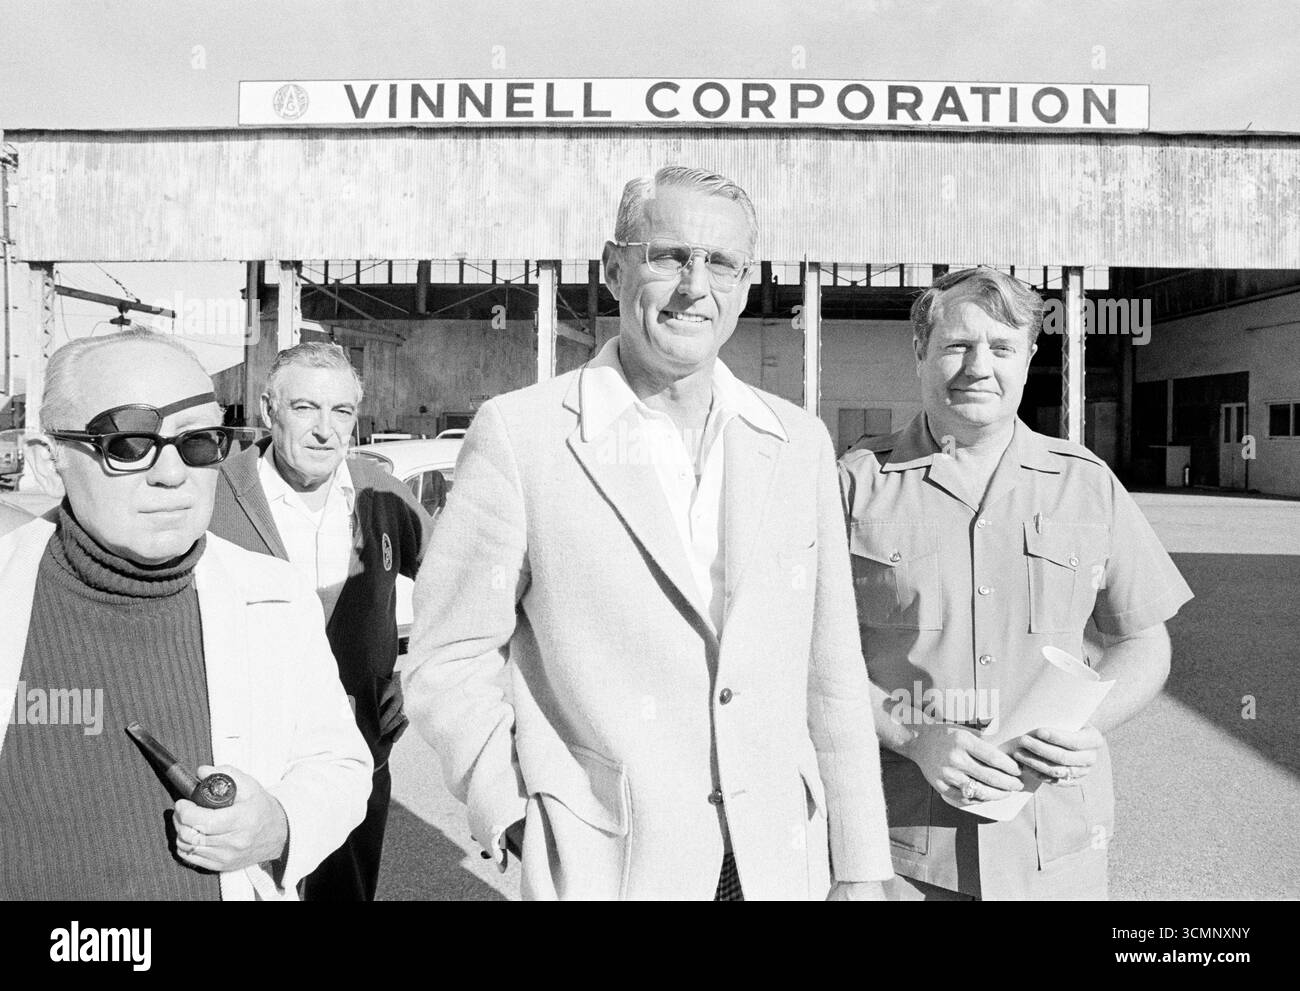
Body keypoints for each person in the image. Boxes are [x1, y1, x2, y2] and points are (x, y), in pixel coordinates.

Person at [403, 165, 893, 900]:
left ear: (745, 283)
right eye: (669, 256)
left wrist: (860, 861)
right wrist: (507, 808)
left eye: (721, 262)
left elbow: (831, 673)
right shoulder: (524, 435)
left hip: (777, 864)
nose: (696, 285)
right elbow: (448, 651)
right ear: (613, 267)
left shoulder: (797, 442)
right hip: (616, 863)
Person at [839, 266, 1193, 900]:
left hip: (1051, 844)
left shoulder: (1085, 484)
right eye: (956, 346)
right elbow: (806, 657)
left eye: (1001, 347)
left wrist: (1091, 724)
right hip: (901, 846)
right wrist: (912, 735)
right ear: (920, 351)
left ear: (1030, 357)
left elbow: (1144, 641)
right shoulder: (852, 487)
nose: (979, 367)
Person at [0, 327, 371, 900]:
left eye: (198, 441)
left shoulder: (274, 597)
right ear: (50, 462)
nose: (171, 473)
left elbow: (339, 764)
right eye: (126, 444)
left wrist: (278, 823)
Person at [210, 341, 431, 901]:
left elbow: (461, 582)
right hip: (249, 761)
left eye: (342, 412)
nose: (324, 430)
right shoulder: (215, 494)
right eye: (305, 408)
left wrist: (404, 691)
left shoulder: (378, 491)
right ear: (268, 411)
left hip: (358, 757)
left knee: (345, 893)